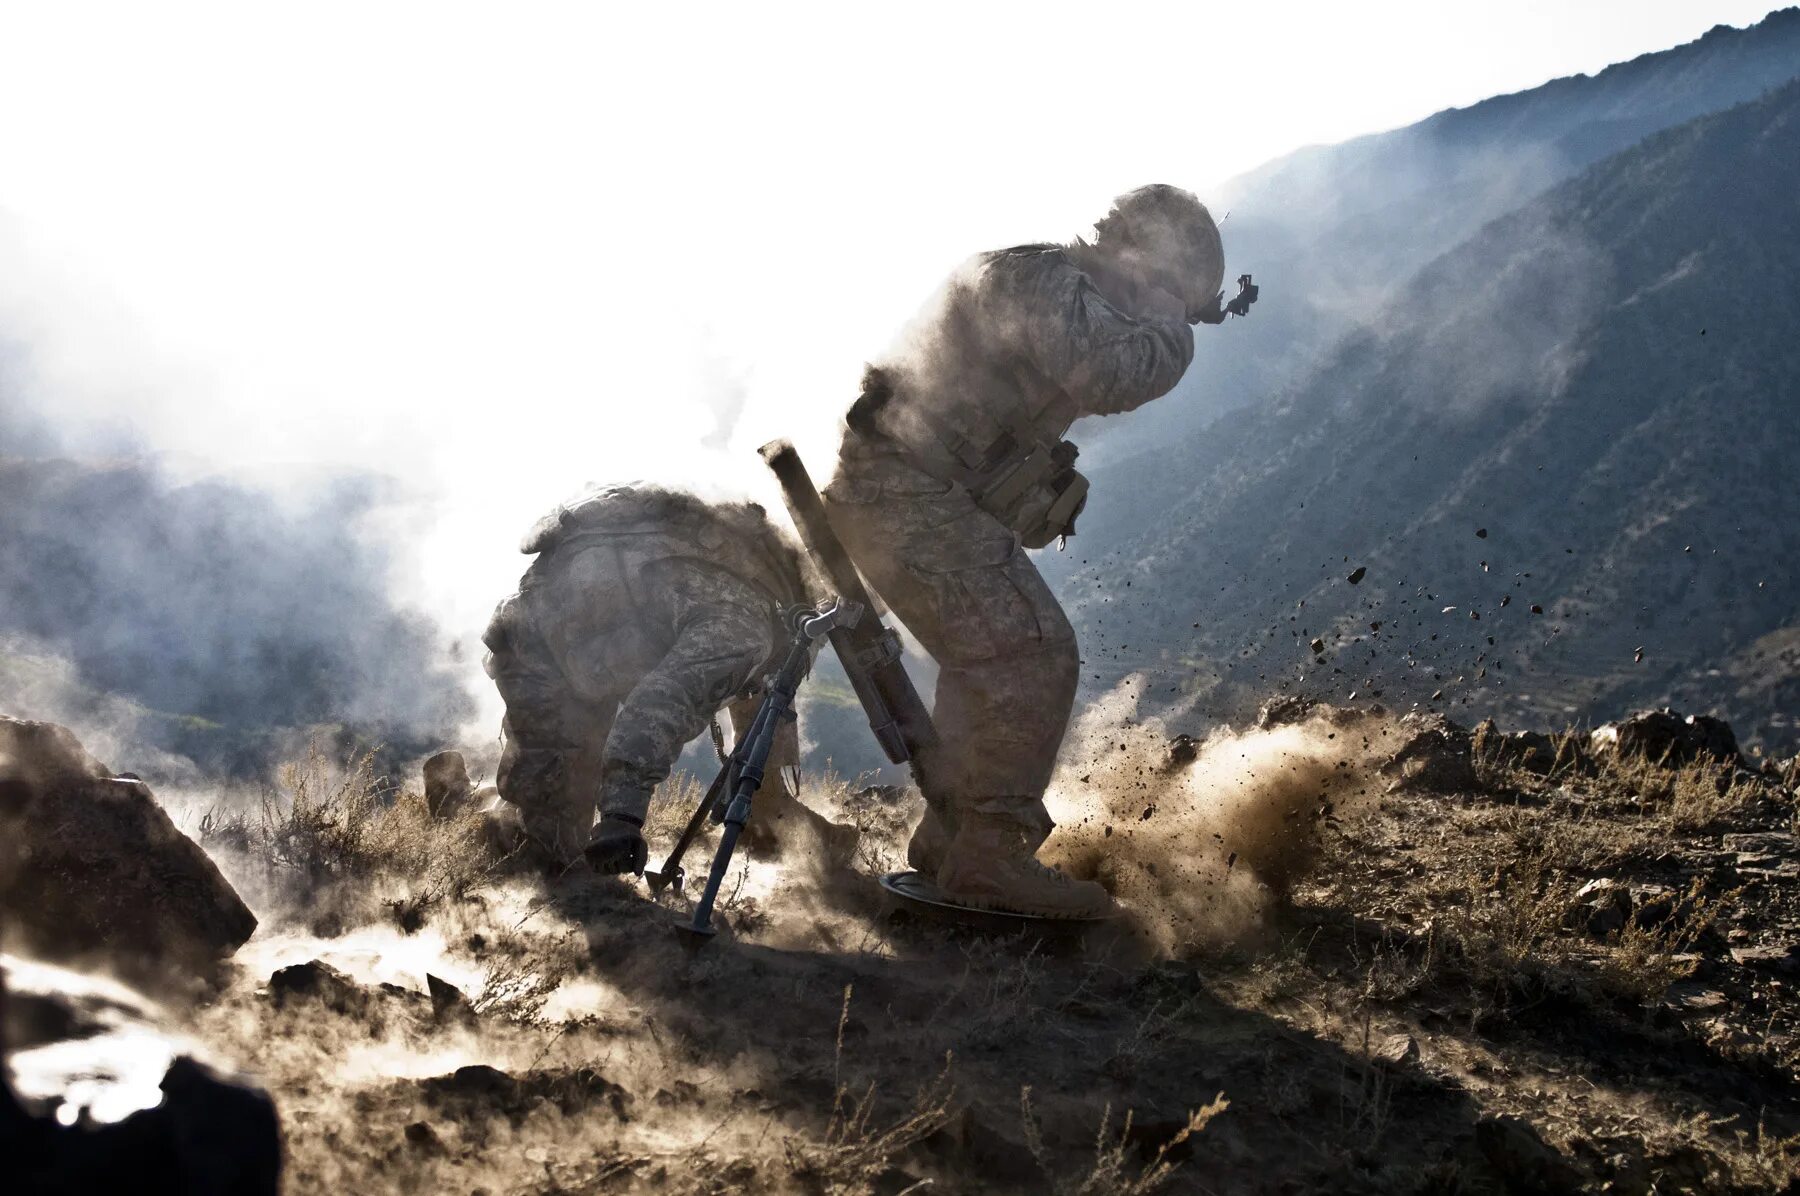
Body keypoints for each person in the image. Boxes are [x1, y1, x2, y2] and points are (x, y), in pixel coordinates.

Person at [821, 184, 1231, 917]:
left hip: (901, 493)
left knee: (988, 656)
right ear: (1135, 255)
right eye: (1166, 287)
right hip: (902, 494)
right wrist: (1177, 328)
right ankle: (989, 857)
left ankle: (954, 841)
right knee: (1034, 652)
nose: (1159, 307)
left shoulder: (1056, 285)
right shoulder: (1036, 278)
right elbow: (1108, 371)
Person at [482, 484, 853, 873]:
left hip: (575, 637)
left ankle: (769, 807)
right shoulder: (745, 624)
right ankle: (464, 802)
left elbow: (758, 689)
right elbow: (665, 702)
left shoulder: (744, 573)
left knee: (758, 680)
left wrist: (766, 802)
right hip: (538, 651)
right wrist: (622, 815)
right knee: (549, 857)